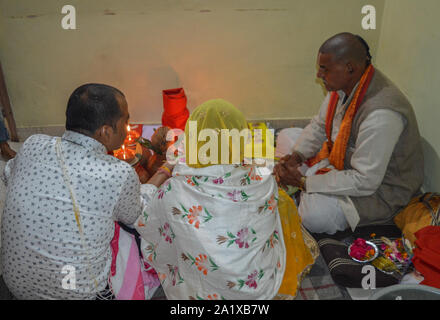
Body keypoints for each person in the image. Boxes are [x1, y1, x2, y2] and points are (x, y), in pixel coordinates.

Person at [135, 99, 318, 300]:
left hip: (205, 291)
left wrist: (166, 169)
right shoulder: (262, 179)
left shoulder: (176, 188)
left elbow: (142, 217)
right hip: (258, 284)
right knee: (282, 201)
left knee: (164, 221)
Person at [0, 83, 170, 299]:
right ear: (106, 132)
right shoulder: (117, 172)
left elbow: (8, 176)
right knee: (132, 231)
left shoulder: (32, 144)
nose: (128, 125)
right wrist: (163, 173)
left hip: (16, 287)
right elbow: (138, 216)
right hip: (77, 293)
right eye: (125, 120)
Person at [274, 32, 424, 235]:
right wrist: (296, 156)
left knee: (315, 217)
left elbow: (365, 180)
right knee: (287, 135)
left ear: (349, 68)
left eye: (324, 69)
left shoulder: (382, 114)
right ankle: (308, 179)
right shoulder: (343, 85)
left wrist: (303, 182)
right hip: (342, 162)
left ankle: (307, 184)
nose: (318, 74)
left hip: (379, 191)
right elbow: (319, 126)